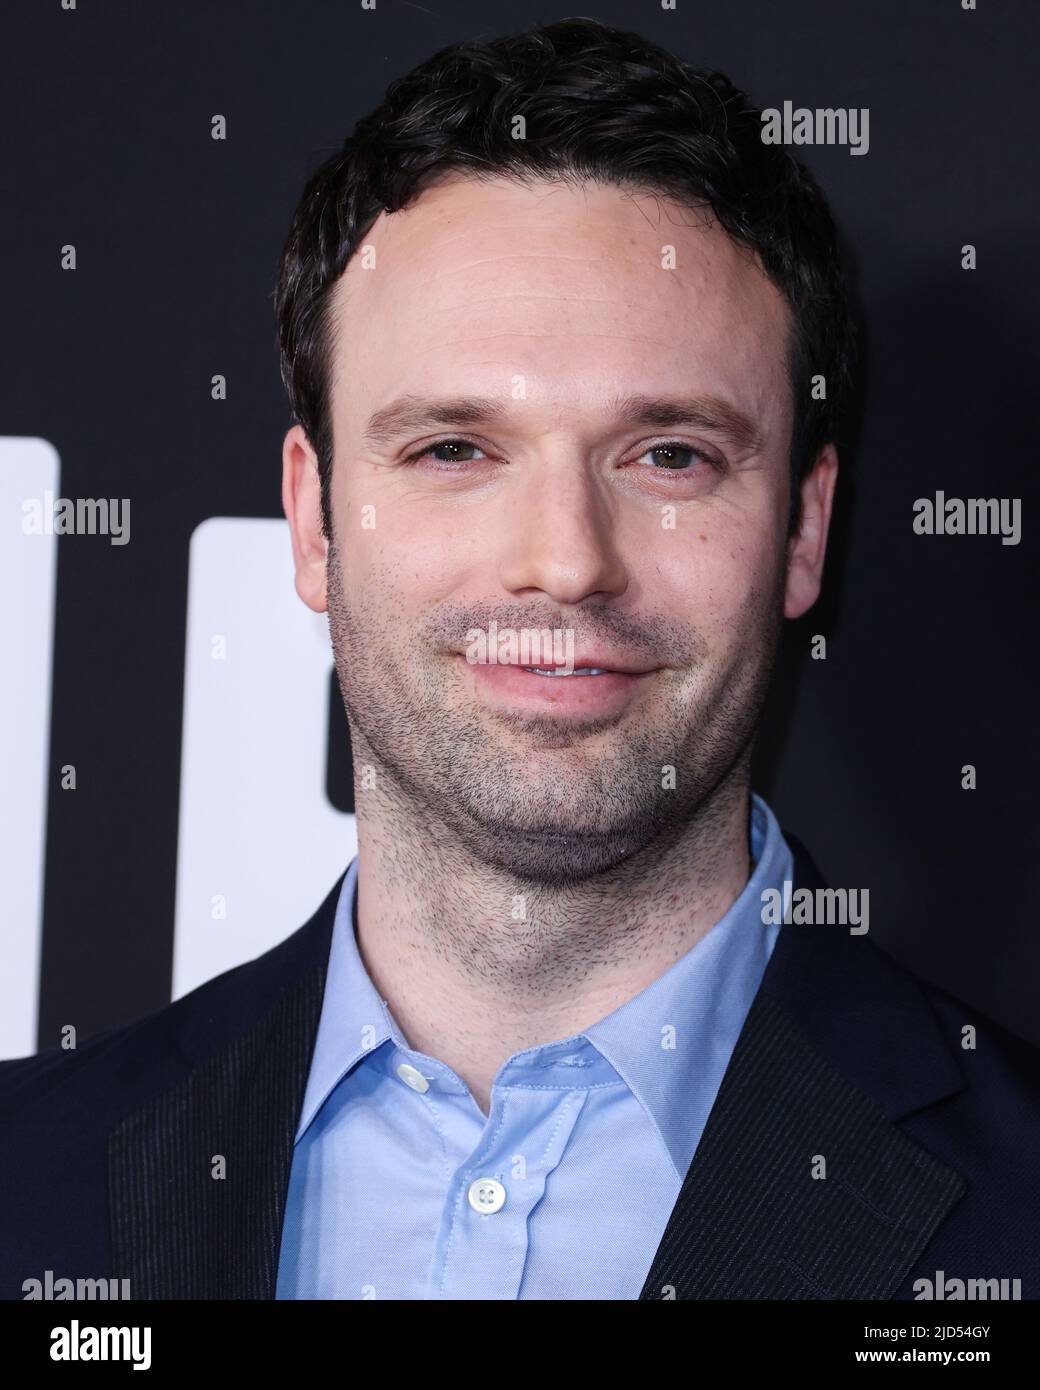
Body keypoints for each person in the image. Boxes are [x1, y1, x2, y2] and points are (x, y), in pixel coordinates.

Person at [3, 17, 1038, 1302]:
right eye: (453, 449)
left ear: (803, 529)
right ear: (313, 521)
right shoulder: (25, 1181)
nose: (563, 559)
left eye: (668, 455)